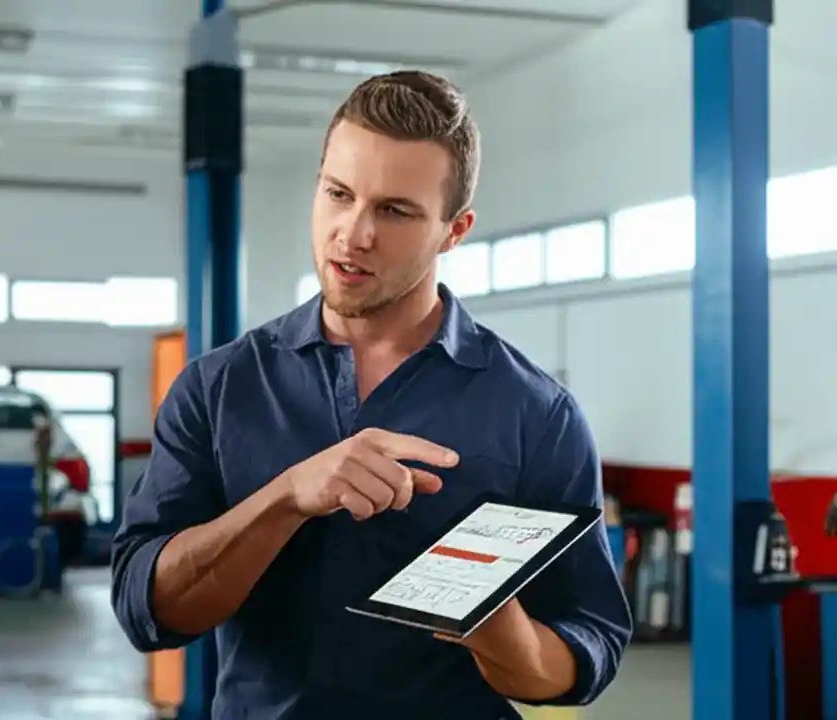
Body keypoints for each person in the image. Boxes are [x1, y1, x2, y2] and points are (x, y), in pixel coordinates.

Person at [111, 70, 632, 719]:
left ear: (454, 229)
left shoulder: (536, 414)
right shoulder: (221, 388)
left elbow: (593, 639)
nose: (353, 234)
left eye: (394, 210)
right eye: (338, 193)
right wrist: (287, 497)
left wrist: (502, 635)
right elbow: (148, 611)